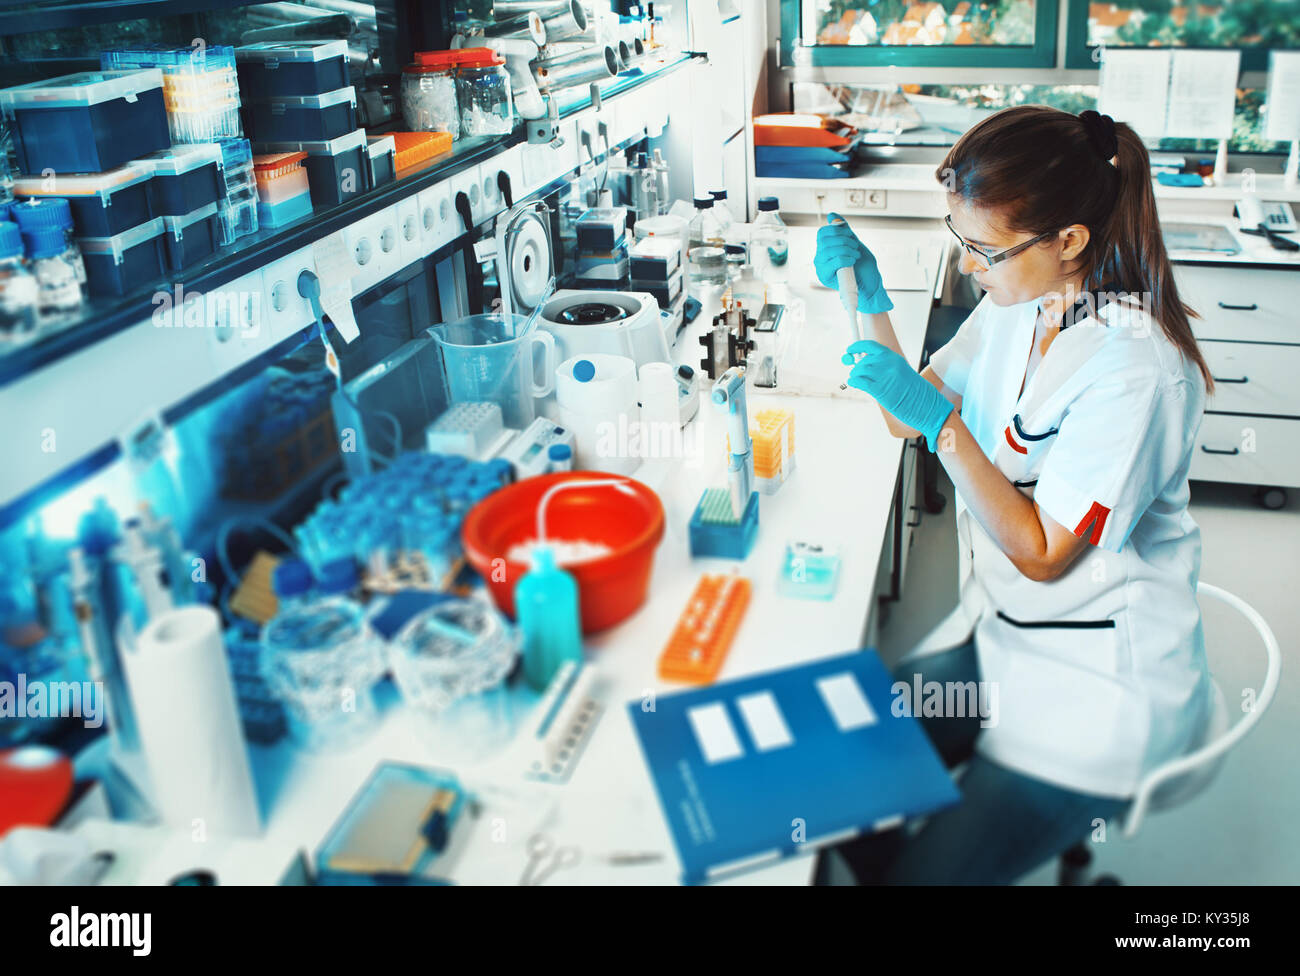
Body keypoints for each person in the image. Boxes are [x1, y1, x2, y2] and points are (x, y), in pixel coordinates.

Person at [812, 106, 1215, 884]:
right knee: (825, 767)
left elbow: (1040, 552)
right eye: (959, 240)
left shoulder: (1135, 370)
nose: (968, 265)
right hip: (1005, 642)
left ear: (1069, 241)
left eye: (984, 250)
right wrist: (863, 294)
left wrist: (947, 430)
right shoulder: (1017, 305)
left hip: (1096, 693)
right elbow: (908, 414)